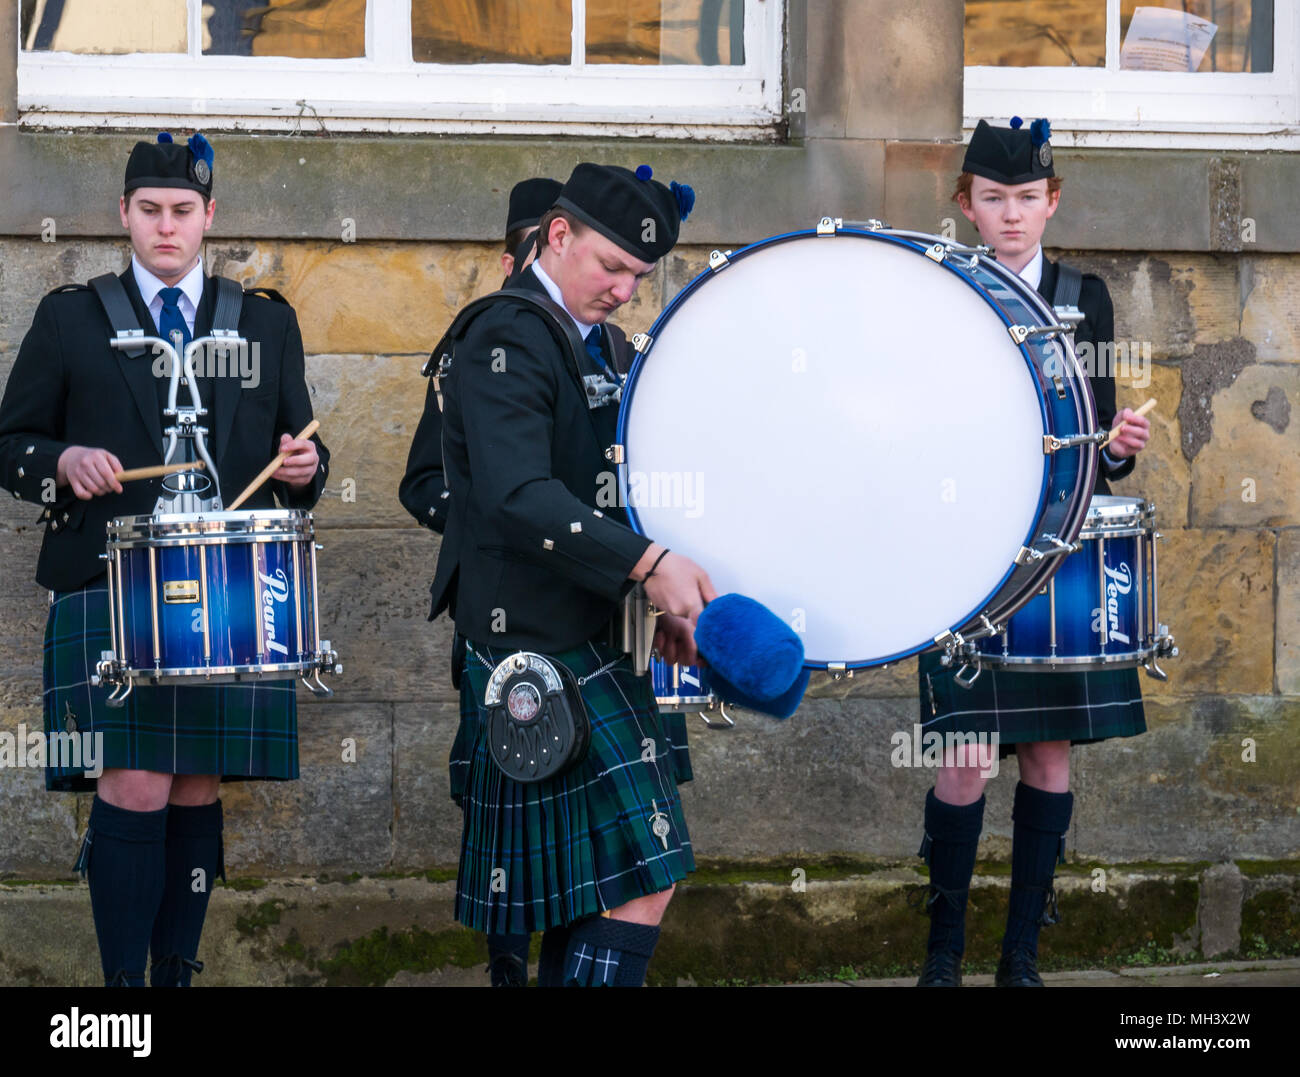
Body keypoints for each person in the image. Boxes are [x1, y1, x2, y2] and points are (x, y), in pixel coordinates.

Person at [0, 132, 329, 987]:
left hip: (225, 588)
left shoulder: (263, 322)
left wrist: (305, 468)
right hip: (111, 582)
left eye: (183, 212)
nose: (166, 228)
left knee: (194, 786)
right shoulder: (72, 317)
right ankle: (123, 996)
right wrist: (62, 463)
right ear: (123, 215)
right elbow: (12, 445)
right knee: (137, 781)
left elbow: (302, 456)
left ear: (209, 216)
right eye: (149, 211)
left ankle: (174, 975)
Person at [429, 161, 713, 986]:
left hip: (595, 637)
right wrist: (649, 564)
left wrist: (646, 601)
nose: (625, 289)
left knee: (609, 888)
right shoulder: (506, 336)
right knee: (640, 880)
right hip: (534, 647)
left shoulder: (609, 347)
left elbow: (617, 494)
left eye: (639, 275)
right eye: (611, 266)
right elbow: (520, 496)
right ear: (558, 235)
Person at [913, 117, 1151, 988]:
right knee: (967, 755)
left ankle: (1021, 959)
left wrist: (1120, 442)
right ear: (967, 207)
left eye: (1026, 199)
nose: (1011, 215)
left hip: (1061, 544)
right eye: (992, 199)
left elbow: (1104, 438)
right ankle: (943, 956)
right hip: (966, 553)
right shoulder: (941, 290)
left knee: (1049, 752)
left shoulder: (1088, 295)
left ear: (1051, 202)